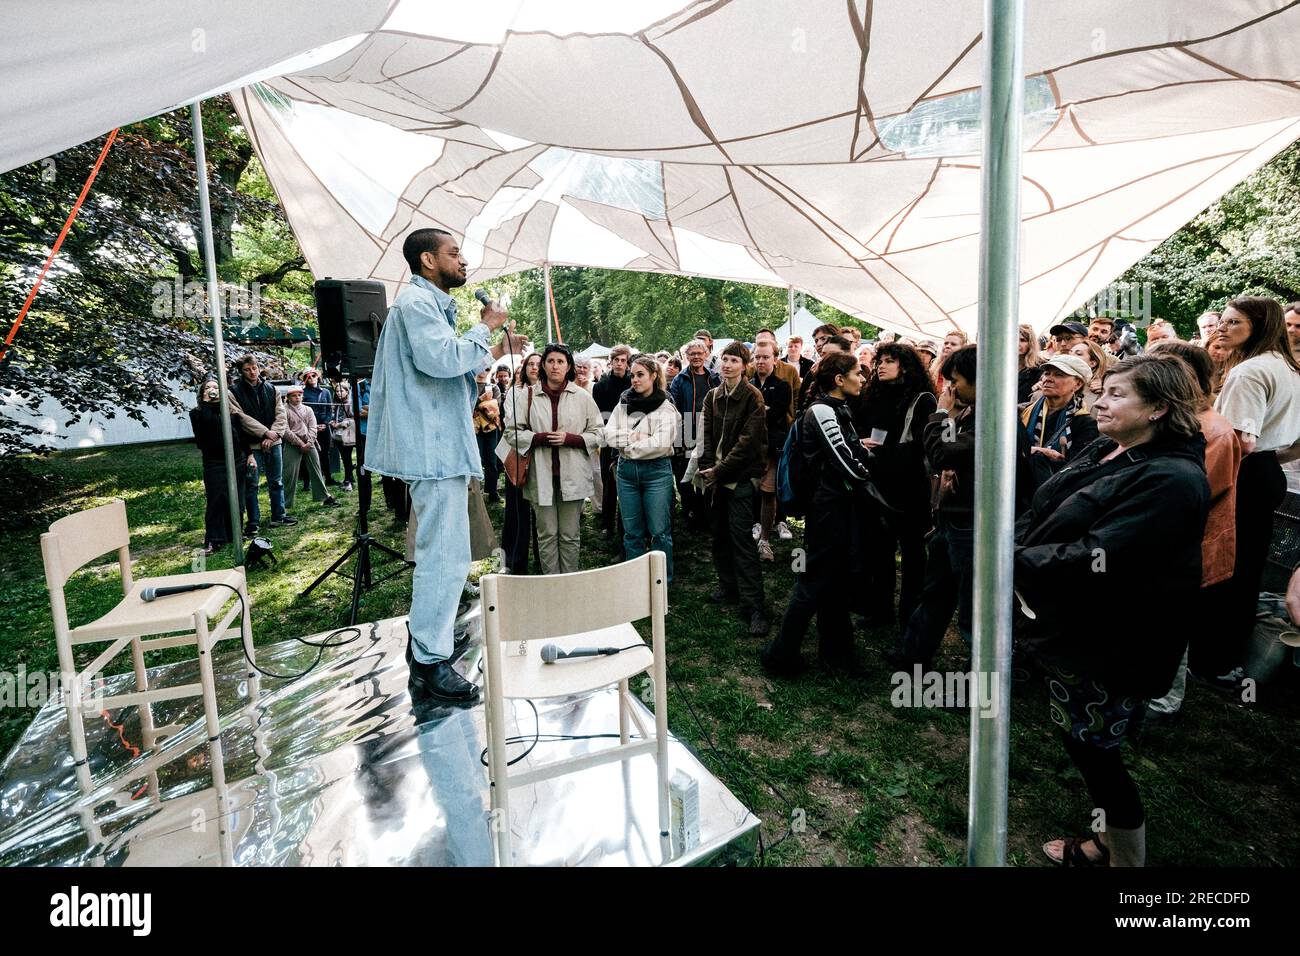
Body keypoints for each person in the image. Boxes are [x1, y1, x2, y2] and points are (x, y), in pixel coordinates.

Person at [1017, 356, 1210, 867]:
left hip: (1114, 643)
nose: (1099, 401)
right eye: (1101, 391)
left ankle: (1124, 860)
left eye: (1117, 394)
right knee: (1082, 741)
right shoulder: (1112, 448)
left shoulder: (1171, 478)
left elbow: (1099, 556)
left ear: (1159, 408)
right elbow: (1052, 509)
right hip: (1075, 630)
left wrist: (1010, 562)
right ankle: (1108, 841)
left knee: (1097, 754)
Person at [366, 227, 519, 702]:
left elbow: (443, 376)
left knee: (447, 555)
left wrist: (483, 357)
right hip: (432, 452)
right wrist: (487, 328)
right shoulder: (415, 304)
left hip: (441, 448)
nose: (464, 261)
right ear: (429, 261)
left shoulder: (426, 306)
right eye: (455, 253)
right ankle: (430, 664)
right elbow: (439, 359)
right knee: (444, 557)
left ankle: (427, 645)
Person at [1201, 296, 1300, 689]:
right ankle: (1223, 658)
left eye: (1234, 322)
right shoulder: (1289, 369)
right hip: (1268, 471)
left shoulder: (1252, 371)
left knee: (1223, 566)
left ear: (1258, 326)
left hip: (1242, 471)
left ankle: (1211, 659)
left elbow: (1242, 441)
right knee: (1245, 570)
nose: (1222, 328)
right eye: (1222, 320)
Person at [762, 352, 877, 676]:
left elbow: (851, 452)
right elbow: (845, 462)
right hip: (828, 509)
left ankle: (836, 655)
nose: (863, 378)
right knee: (814, 581)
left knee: (834, 582)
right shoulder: (823, 410)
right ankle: (781, 655)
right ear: (839, 379)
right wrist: (869, 471)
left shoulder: (835, 408)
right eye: (857, 373)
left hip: (836, 506)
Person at [1146, 341, 1243, 722]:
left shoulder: (1215, 432)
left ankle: (1164, 699)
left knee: (1171, 622)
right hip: (1161, 540)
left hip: (1188, 546)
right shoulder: (1176, 419)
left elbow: (1196, 494)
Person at [889, 345, 978, 670]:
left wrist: (941, 415)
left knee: (973, 611)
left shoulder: (992, 419)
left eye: (955, 380)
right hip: (952, 520)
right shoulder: (970, 412)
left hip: (973, 527)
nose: (950, 388)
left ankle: (977, 687)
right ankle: (913, 656)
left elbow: (942, 454)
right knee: (936, 593)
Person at [502, 343, 603, 574]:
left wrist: (572, 439)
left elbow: (599, 433)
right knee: (546, 534)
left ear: (569, 367)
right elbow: (511, 432)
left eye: (560, 362)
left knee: (569, 534)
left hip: (573, 474)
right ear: (544, 366)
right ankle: (552, 584)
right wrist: (538, 438)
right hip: (540, 474)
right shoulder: (527, 396)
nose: (555, 366)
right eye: (550, 361)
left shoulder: (582, 397)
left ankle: (568, 581)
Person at [856, 343, 938, 628]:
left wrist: (881, 450)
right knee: (879, 552)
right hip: (877, 483)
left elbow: (923, 448)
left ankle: (909, 618)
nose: (881, 366)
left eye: (889, 361)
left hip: (910, 487)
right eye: (880, 360)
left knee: (914, 556)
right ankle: (880, 611)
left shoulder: (923, 399)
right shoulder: (873, 395)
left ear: (906, 366)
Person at [699, 341, 770, 635]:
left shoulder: (753, 396)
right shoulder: (713, 395)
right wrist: (705, 469)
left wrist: (719, 470)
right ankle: (728, 587)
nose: (727, 365)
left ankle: (755, 606)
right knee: (719, 536)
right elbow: (704, 434)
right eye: (724, 359)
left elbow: (748, 443)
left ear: (744, 365)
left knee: (742, 540)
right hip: (714, 477)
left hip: (738, 477)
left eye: (734, 360)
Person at [603, 355, 679, 581]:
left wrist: (627, 445)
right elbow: (608, 434)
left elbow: (660, 444)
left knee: (659, 532)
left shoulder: (666, 407)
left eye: (640, 375)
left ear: (654, 376)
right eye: (632, 375)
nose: (634, 380)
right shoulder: (623, 402)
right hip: (626, 472)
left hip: (656, 472)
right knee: (631, 532)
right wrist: (635, 437)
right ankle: (635, 582)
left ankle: (662, 581)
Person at [1017, 353, 1098, 504]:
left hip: (1055, 499)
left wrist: (1036, 453)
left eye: (1059, 374)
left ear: (1078, 384)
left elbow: (1078, 467)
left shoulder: (1085, 423)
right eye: (1047, 373)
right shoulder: (1024, 412)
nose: (1048, 378)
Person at [227, 354, 293, 533]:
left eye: (254, 368)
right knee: (252, 485)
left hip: (274, 442)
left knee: (276, 481)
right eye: (247, 370)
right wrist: (265, 432)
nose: (252, 372)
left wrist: (273, 435)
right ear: (241, 372)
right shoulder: (233, 392)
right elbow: (241, 418)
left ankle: (279, 515)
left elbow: (281, 414)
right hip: (251, 446)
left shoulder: (271, 388)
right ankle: (253, 522)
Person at [189, 380, 253, 555]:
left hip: (237, 459)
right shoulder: (197, 413)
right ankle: (213, 539)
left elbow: (241, 435)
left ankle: (235, 534)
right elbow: (203, 438)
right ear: (202, 393)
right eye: (208, 388)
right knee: (217, 499)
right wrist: (209, 405)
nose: (212, 390)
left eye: (216, 387)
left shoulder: (231, 412)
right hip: (214, 462)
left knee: (237, 499)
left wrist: (249, 455)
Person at [668, 339, 720, 533]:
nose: (696, 357)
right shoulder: (680, 379)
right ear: (686, 356)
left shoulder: (714, 377)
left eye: (700, 353)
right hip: (687, 432)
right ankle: (690, 515)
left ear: (706, 354)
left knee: (706, 474)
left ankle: (707, 516)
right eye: (692, 354)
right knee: (686, 476)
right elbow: (675, 409)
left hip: (709, 433)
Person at [749, 340, 792, 561]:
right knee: (747, 492)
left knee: (768, 493)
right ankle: (750, 534)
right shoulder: (747, 384)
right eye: (757, 357)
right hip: (749, 447)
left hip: (772, 448)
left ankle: (765, 540)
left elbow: (775, 415)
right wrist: (762, 410)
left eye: (765, 357)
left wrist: (758, 411)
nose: (761, 361)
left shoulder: (783, 385)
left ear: (775, 359)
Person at [499, 352, 541, 574]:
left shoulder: (549, 391)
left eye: (538, 364)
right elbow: (511, 424)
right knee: (517, 510)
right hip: (518, 453)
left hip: (542, 454)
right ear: (524, 368)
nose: (534, 367)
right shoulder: (515, 392)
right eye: (530, 364)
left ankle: (542, 557)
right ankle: (514, 560)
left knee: (542, 510)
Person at [593, 345, 633, 540]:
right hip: (608, 438)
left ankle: (629, 523)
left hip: (630, 437)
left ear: (627, 362)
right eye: (616, 360)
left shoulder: (633, 383)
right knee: (608, 482)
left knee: (628, 483)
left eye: (623, 360)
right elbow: (598, 416)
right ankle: (607, 525)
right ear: (611, 361)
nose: (619, 363)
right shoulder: (600, 386)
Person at [282, 384, 340, 512]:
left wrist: (309, 442)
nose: (297, 398)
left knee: (316, 469)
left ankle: (324, 496)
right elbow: (285, 430)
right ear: (288, 397)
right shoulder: (283, 410)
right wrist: (299, 443)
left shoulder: (308, 409)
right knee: (289, 473)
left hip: (309, 442)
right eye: (294, 396)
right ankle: (285, 504)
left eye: (299, 395)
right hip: (293, 443)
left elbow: (313, 427)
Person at [301, 367, 339, 487]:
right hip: (309, 427)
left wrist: (326, 422)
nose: (311, 378)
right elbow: (301, 411)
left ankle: (328, 478)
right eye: (308, 376)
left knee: (325, 453)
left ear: (318, 376)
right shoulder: (302, 392)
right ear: (305, 379)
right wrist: (313, 426)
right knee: (308, 453)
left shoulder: (326, 392)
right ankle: (307, 482)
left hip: (324, 425)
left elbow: (329, 409)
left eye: (313, 375)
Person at [474, 369, 502, 504]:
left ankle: (492, 491)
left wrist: (477, 406)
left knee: (492, 460)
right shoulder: (469, 386)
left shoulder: (493, 387)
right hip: (474, 429)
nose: (483, 371)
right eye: (480, 367)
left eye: (487, 368)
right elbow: (465, 406)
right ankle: (475, 492)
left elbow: (495, 408)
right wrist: (482, 400)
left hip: (490, 429)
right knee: (476, 460)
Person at [1068, 338, 1114, 406]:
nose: (1070, 356)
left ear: (1092, 363)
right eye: (1070, 353)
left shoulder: (1101, 389)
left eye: (1078, 354)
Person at [330, 379, 357, 492]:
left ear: (347, 391)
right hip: (337, 434)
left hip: (348, 434)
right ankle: (350, 477)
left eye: (341, 391)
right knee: (344, 458)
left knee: (347, 457)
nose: (339, 393)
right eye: (337, 391)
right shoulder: (335, 404)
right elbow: (331, 418)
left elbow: (353, 417)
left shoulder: (350, 403)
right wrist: (335, 424)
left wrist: (345, 422)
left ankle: (348, 481)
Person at [1017, 324, 1045, 403]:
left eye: (1022, 340)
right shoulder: (1000, 366)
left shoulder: (1040, 367)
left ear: (1030, 343)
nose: (1017, 343)